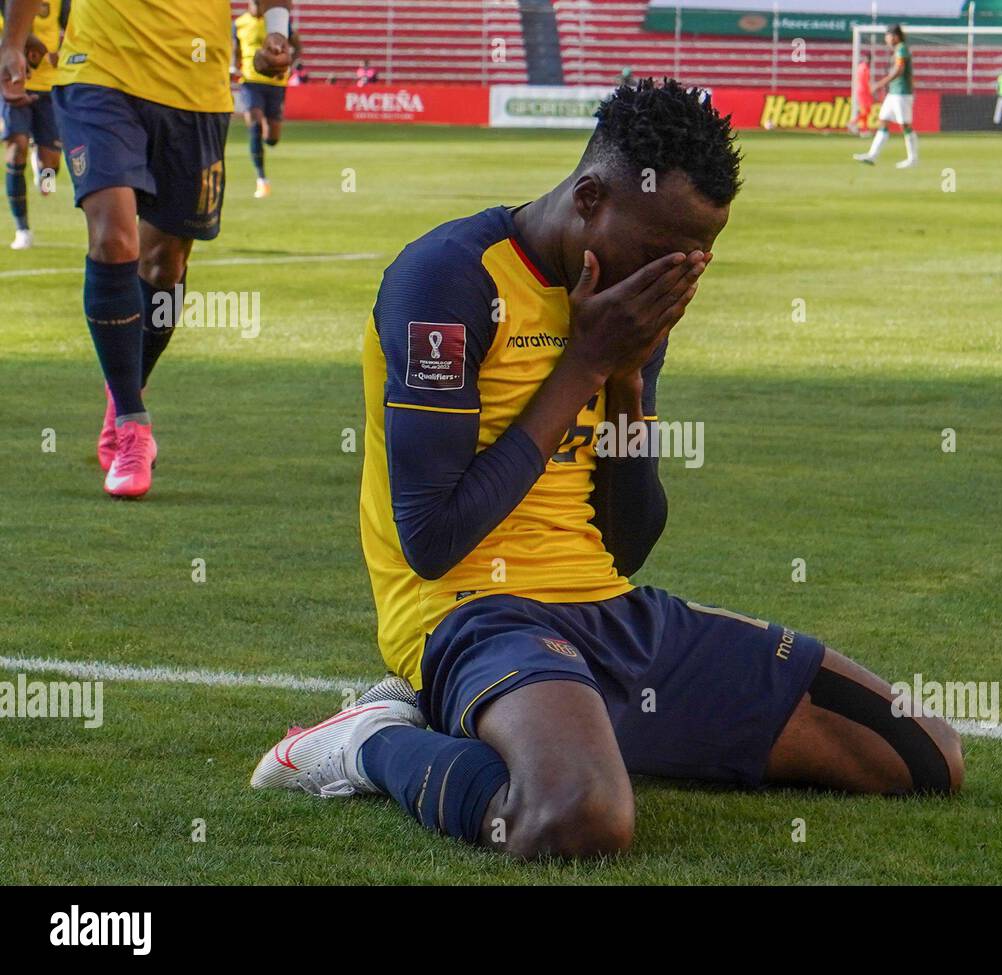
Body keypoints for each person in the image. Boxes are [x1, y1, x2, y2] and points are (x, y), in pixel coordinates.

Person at [250, 80, 964, 860]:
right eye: (663, 253)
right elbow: (431, 538)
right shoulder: (450, 280)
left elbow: (625, 546)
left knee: (923, 755)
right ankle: (368, 742)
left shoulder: (626, 300)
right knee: (577, 818)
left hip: (603, 607)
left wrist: (625, 380)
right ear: (590, 198)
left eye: (698, 258)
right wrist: (582, 365)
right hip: (469, 614)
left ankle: (572, 722)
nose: (679, 277)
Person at [0, 0, 292, 498]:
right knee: (114, 238)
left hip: (195, 94)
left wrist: (277, 35)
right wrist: (12, 38)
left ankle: (123, 392)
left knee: (165, 265)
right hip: (98, 75)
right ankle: (134, 425)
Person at [2, 0, 67, 250]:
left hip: (50, 84)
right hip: (15, 80)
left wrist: (62, 52)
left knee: (50, 162)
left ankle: (42, 169)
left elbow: (71, 28)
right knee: (16, 147)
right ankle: (22, 229)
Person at [233, 0, 297, 199]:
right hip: (250, 81)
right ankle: (262, 179)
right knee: (254, 122)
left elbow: (298, 47)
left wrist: (287, 65)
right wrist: (233, 67)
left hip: (276, 83)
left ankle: (265, 139)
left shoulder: (277, 21)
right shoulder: (239, 23)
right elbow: (235, 49)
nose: (255, 6)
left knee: (271, 139)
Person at [853, 24, 917, 169]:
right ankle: (872, 155)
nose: (886, 40)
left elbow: (899, 70)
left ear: (895, 36)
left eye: (887, 36)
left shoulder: (901, 49)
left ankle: (913, 159)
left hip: (901, 93)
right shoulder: (898, 49)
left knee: (905, 125)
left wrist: (880, 83)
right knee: (883, 121)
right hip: (894, 92)